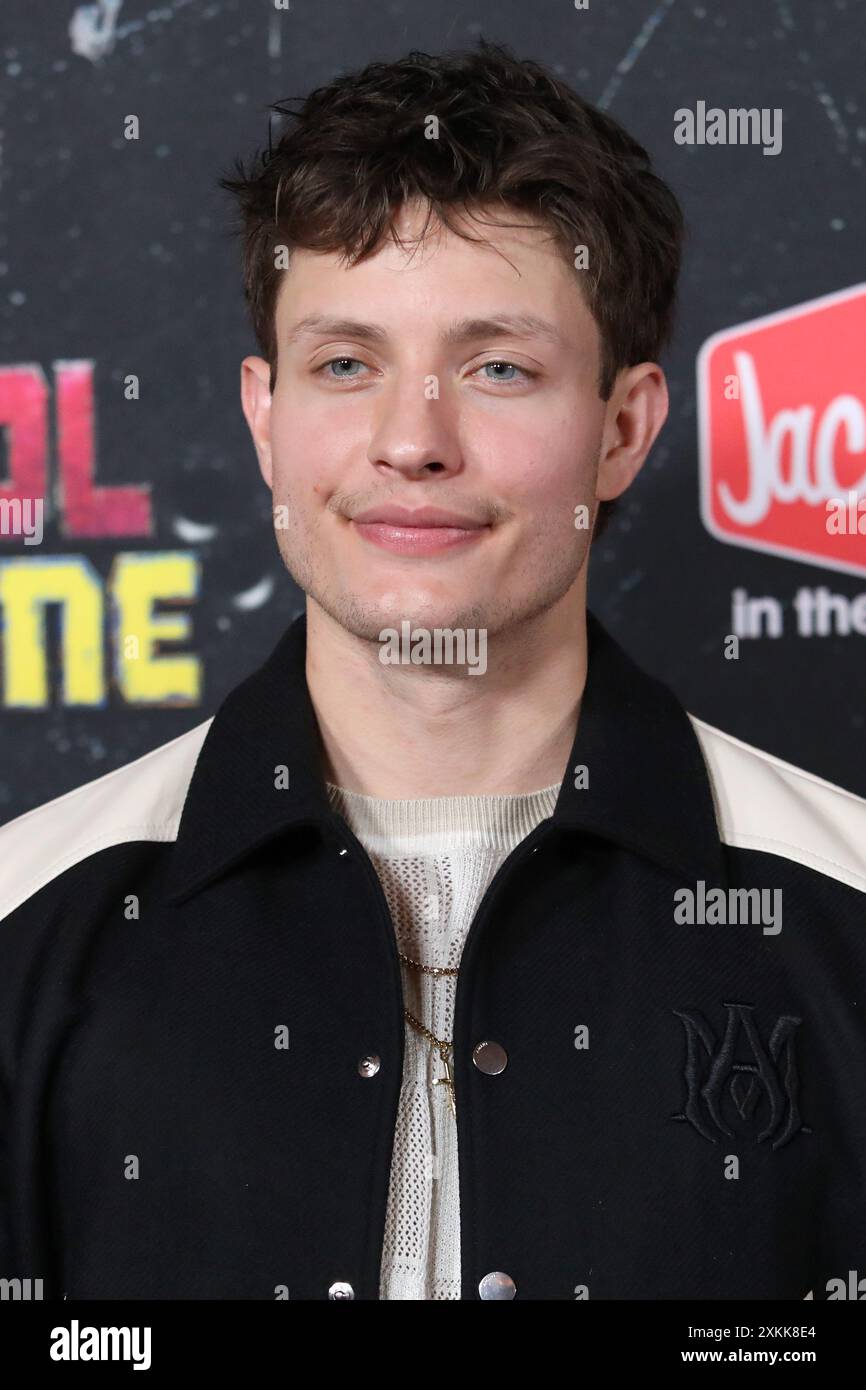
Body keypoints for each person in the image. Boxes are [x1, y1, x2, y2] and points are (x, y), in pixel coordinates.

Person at [1, 40, 864, 1302]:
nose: (411, 441)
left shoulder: (840, 918)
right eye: (344, 364)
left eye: (496, 367)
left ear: (622, 429)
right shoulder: (28, 919)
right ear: (263, 415)